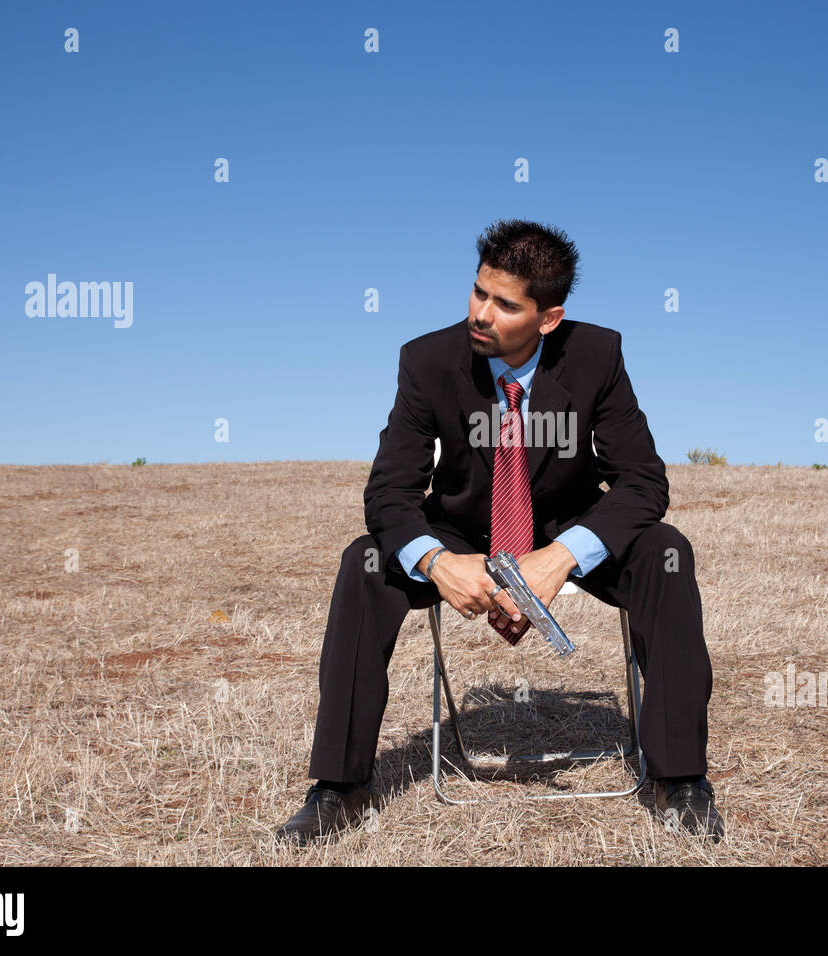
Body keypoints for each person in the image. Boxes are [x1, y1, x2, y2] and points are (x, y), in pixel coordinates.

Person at [276, 219, 721, 844]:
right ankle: (338, 789)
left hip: (567, 527)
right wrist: (435, 561)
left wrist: (563, 555)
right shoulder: (427, 360)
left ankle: (679, 780)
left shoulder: (597, 354)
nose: (481, 314)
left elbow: (643, 482)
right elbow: (389, 492)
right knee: (364, 563)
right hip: (459, 530)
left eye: (505, 304)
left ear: (548, 317)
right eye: (478, 291)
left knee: (666, 552)